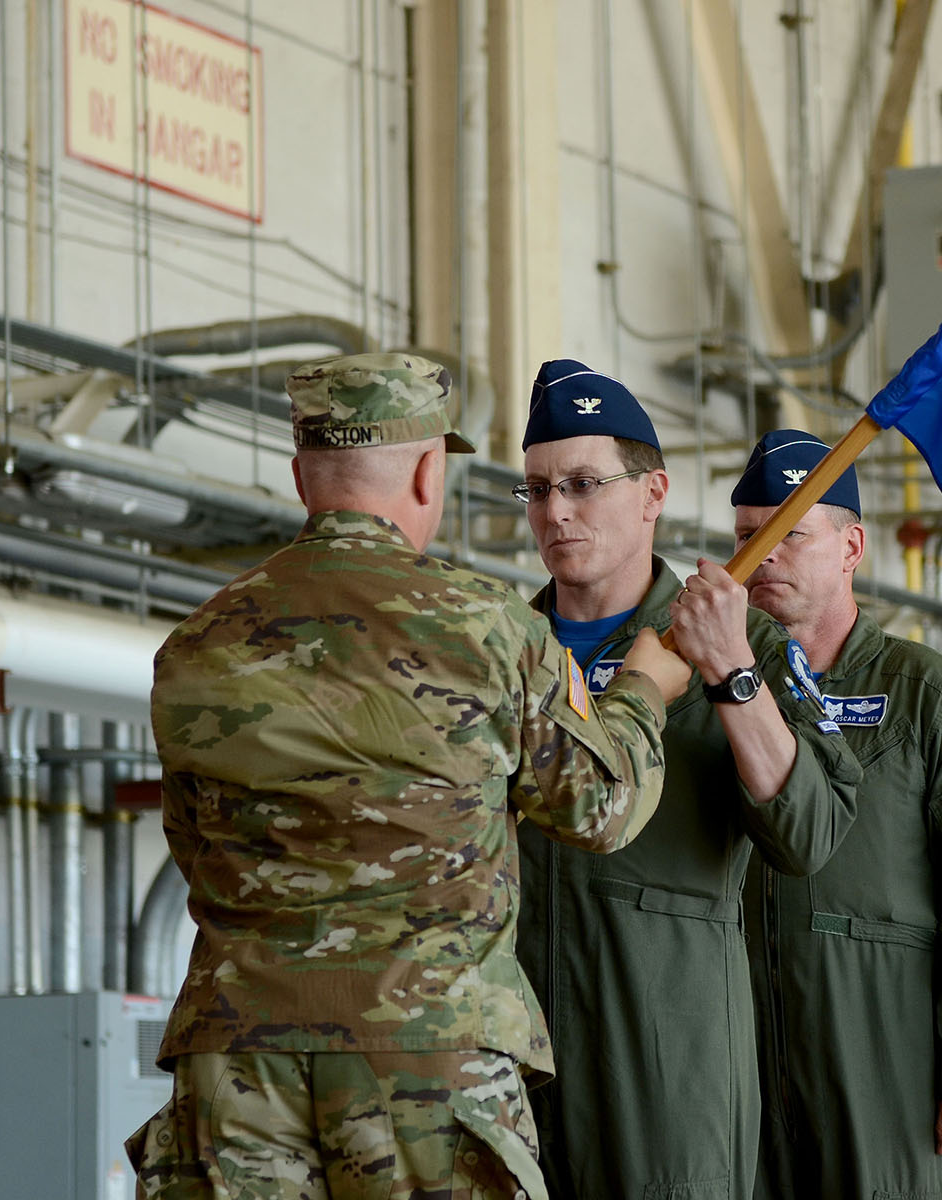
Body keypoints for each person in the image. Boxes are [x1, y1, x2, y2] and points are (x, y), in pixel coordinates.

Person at [127, 352, 693, 1200]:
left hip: (238, 1060)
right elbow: (599, 809)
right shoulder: (488, 628)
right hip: (427, 1058)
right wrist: (646, 688)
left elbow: (194, 847)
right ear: (430, 472)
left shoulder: (197, 645)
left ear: (299, 477)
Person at [512, 361, 861, 1200]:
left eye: (585, 484)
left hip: (668, 1071)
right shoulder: (500, 653)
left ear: (653, 492)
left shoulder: (744, 645)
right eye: (535, 490)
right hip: (511, 1068)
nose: (556, 511)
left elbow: (810, 833)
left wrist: (730, 672)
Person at [729, 429, 942, 1200]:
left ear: (851, 545)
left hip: (882, 1053)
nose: (761, 555)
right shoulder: (719, 693)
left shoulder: (925, 693)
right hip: (740, 1050)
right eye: (744, 536)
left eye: (788, 534)